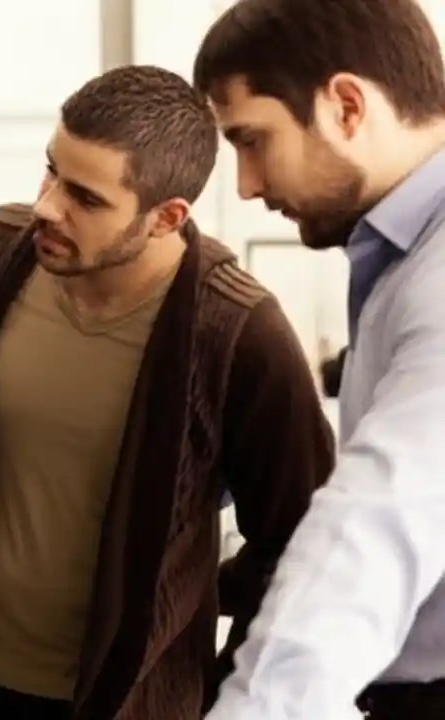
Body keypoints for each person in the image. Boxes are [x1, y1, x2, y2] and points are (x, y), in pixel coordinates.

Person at [0, 64, 338, 719]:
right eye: (52, 171)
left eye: (87, 199)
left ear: (166, 218)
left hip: (131, 701)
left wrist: (230, 696)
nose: (48, 206)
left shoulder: (241, 335)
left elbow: (302, 547)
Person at [192, 1, 445, 718]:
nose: (244, 183)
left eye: (251, 139)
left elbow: (378, 518)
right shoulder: (398, 254)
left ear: (345, 105)